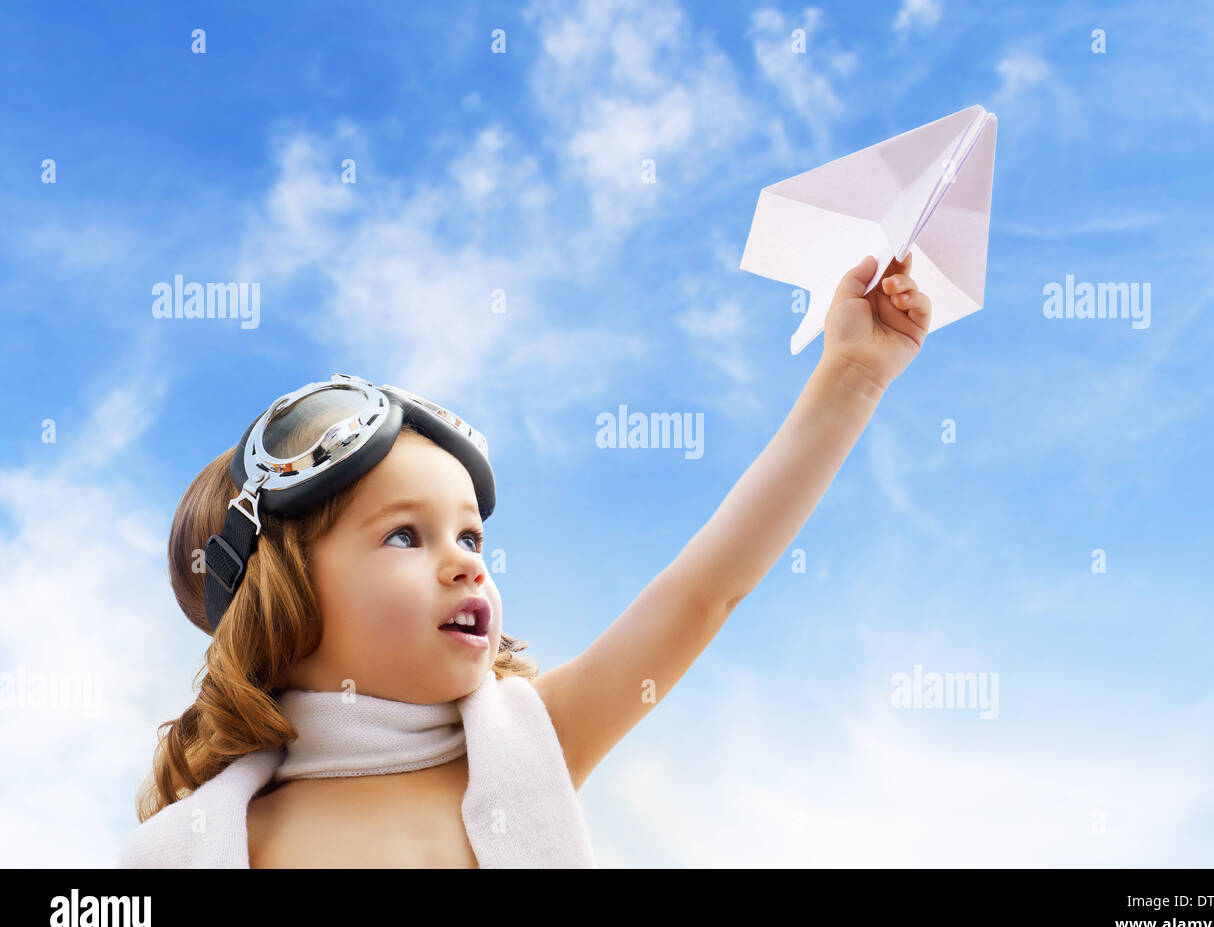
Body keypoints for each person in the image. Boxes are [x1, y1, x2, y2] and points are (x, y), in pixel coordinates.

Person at [118, 252, 930, 868]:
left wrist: (852, 376)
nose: (465, 565)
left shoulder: (524, 745)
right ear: (280, 594)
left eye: (471, 537)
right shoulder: (215, 844)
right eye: (405, 536)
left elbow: (704, 589)